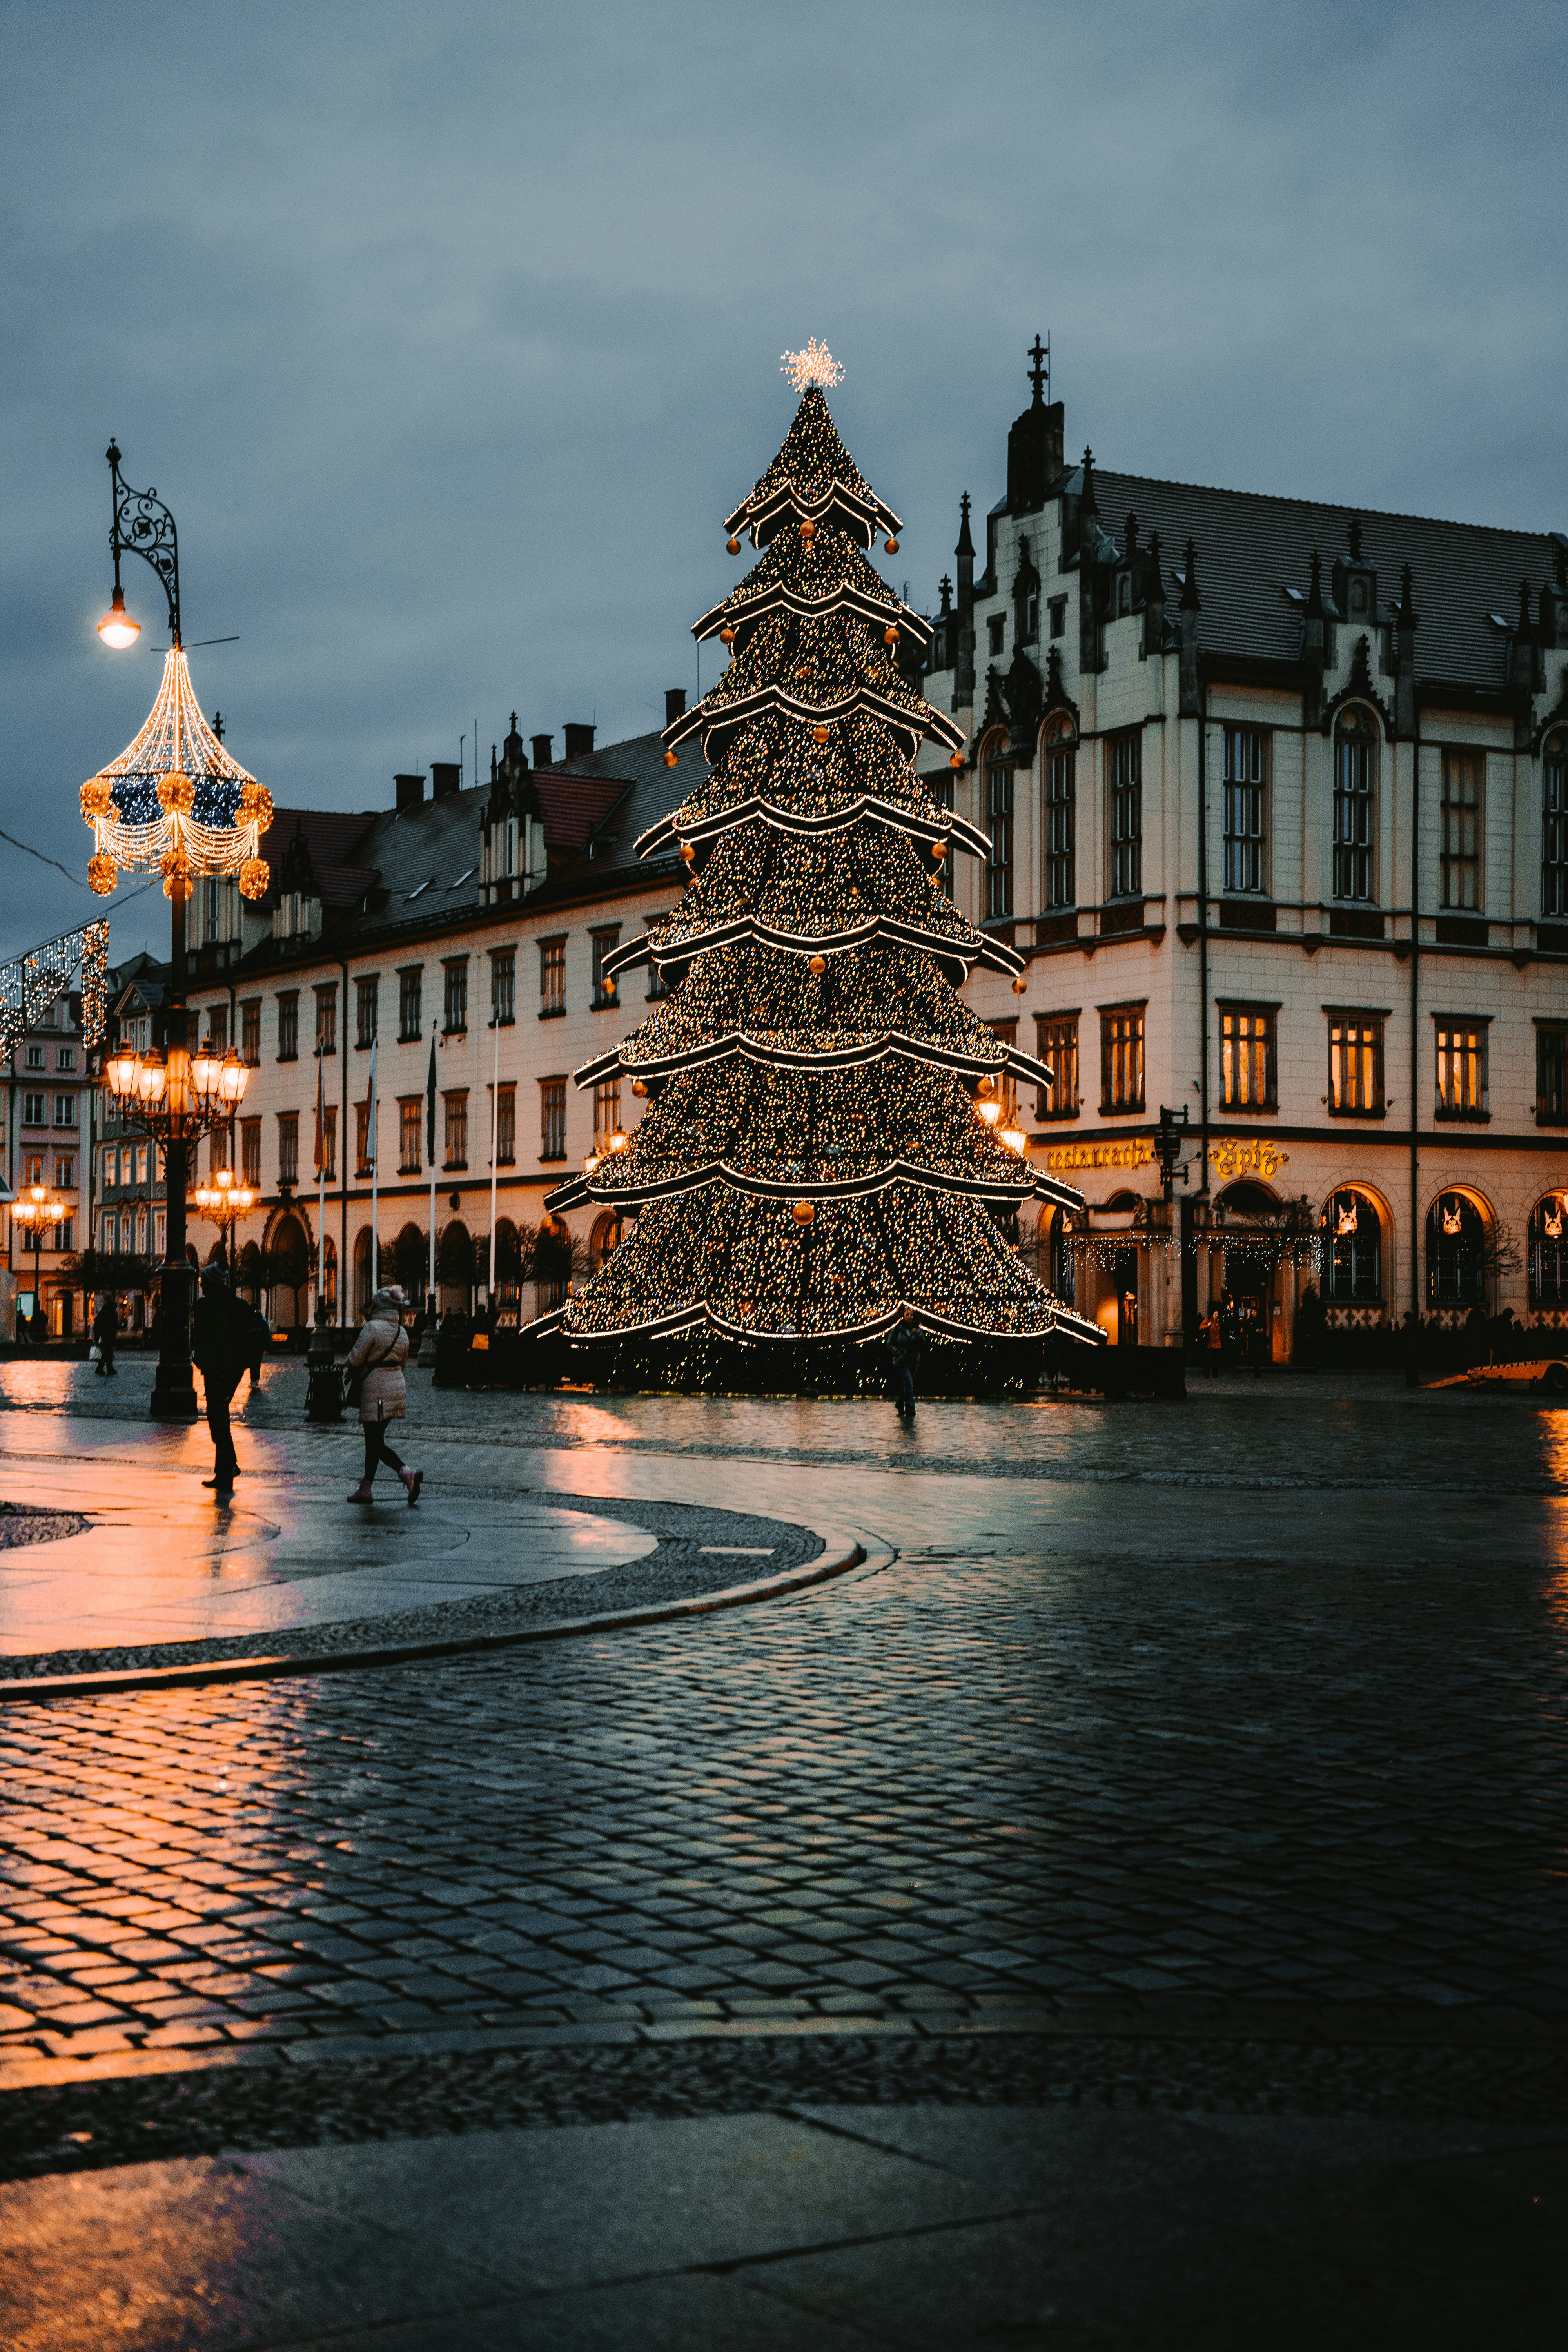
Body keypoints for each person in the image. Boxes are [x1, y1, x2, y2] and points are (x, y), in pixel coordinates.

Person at [345, 1284, 421, 1505]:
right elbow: (404, 1362)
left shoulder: (372, 1328)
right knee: (375, 1439)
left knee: (374, 1441)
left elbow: (356, 1359)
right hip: (397, 1385)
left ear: (378, 1306)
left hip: (376, 1388)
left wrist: (349, 1364)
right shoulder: (402, 1332)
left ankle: (406, 1473)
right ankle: (366, 1488)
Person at [191, 1262, 252, 1495]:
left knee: (217, 1419)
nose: (202, 1286)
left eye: (203, 1282)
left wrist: (202, 1360)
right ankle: (224, 1471)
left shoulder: (208, 1307)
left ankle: (229, 1468)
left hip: (216, 1370)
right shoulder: (237, 1305)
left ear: (210, 1283)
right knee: (220, 1416)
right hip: (233, 1370)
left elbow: (204, 1338)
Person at [884, 1309, 922, 1423]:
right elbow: (890, 1343)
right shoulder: (897, 1328)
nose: (910, 1317)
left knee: (907, 1384)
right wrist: (899, 1353)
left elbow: (923, 1344)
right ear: (904, 1316)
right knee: (909, 1383)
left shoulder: (917, 1328)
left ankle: (900, 1403)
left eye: (912, 1315)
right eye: (908, 1314)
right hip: (902, 1361)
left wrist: (919, 1336)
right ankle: (910, 1409)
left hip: (914, 1361)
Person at [91, 1292, 119, 1377]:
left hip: (106, 1335)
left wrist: (97, 1336)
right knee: (108, 1352)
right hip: (108, 1335)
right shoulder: (110, 1314)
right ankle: (106, 1368)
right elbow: (111, 1325)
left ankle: (105, 1368)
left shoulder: (103, 1313)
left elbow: (98, 1325)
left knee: (108, 1352)